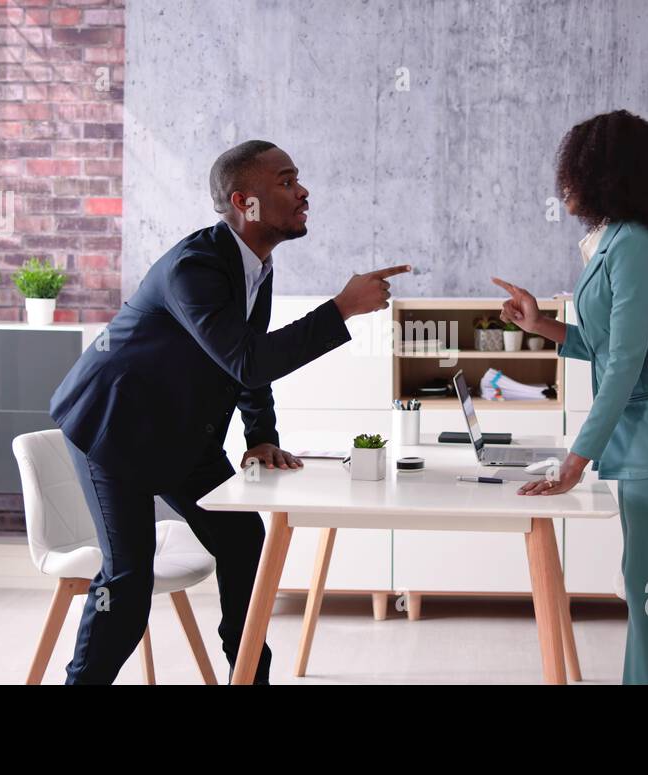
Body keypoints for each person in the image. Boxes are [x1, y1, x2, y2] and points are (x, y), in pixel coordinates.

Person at [49, 139, 410, 684]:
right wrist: (340, 310)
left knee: (243, 540)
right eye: (287, 182)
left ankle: (247, 676)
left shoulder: (254, 266)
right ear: (246, 202)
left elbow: (247, 355)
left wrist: (260, 435)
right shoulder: (194, 267)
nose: (303, 191)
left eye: (298, 178)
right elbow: (245, 360)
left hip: (181, 434)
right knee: (126, 587)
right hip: (113, 427)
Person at [492, 110, 648, 685]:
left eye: (575, 171)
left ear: (607, 176)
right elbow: (608, 347)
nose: (565, 186)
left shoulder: (639, 248)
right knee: (643, 578)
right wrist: (541, 326)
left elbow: (626, 364)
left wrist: (574, 464)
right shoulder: (622, 243)